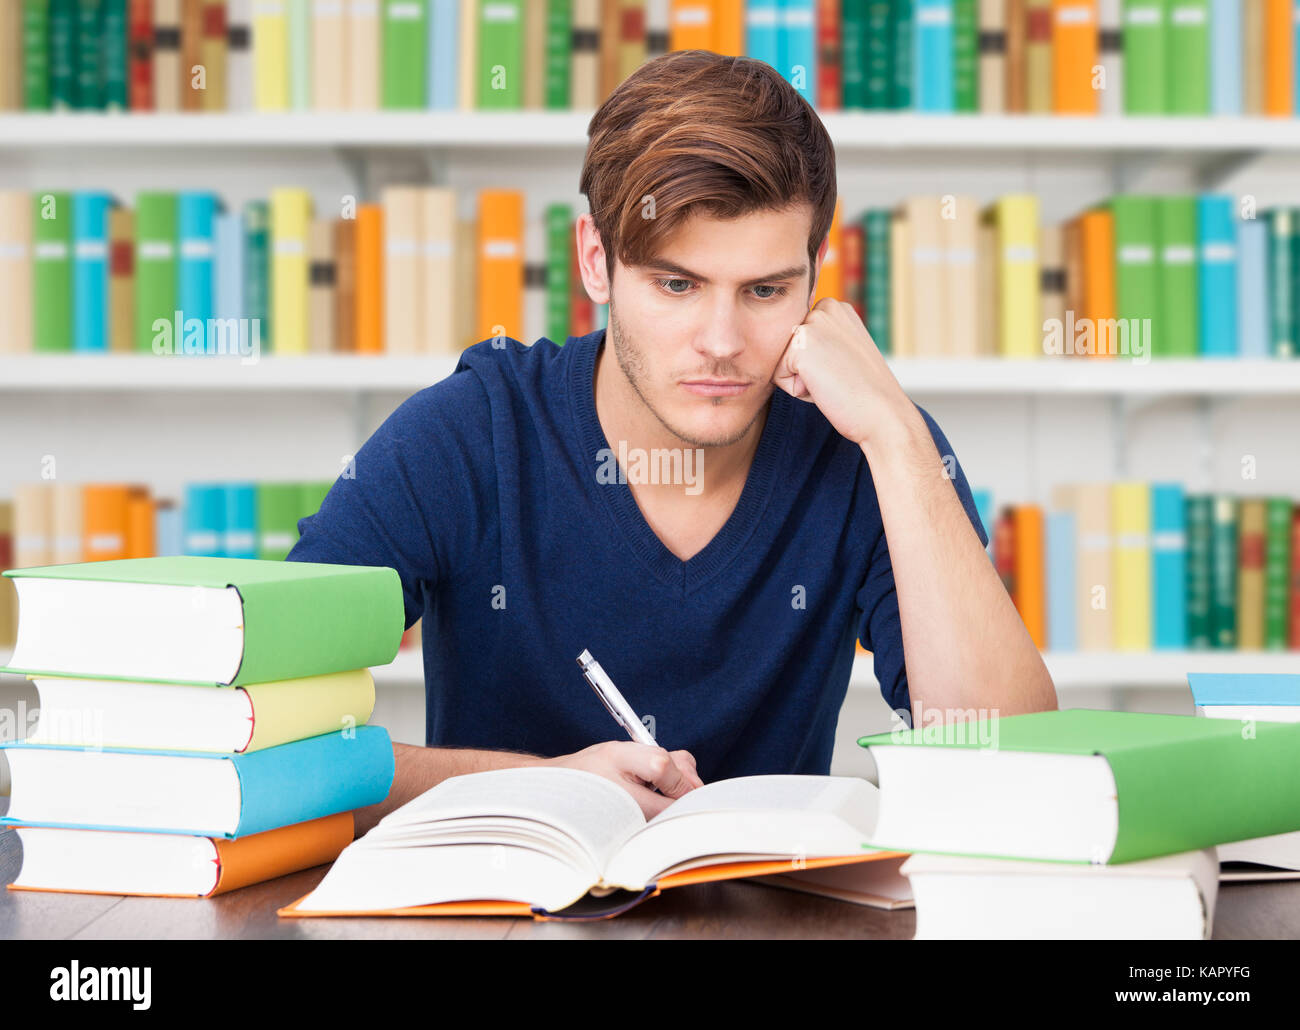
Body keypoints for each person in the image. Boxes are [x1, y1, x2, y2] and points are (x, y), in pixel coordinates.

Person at [288, 49, 1057, 836]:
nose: (721, 342)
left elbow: (1010, 766)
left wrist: (896, 434)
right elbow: (266, 747)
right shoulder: (468, 434)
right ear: (597, 260)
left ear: (814, 278)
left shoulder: (867, 446)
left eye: (765, 291)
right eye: (677, 285)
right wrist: (541, 786)